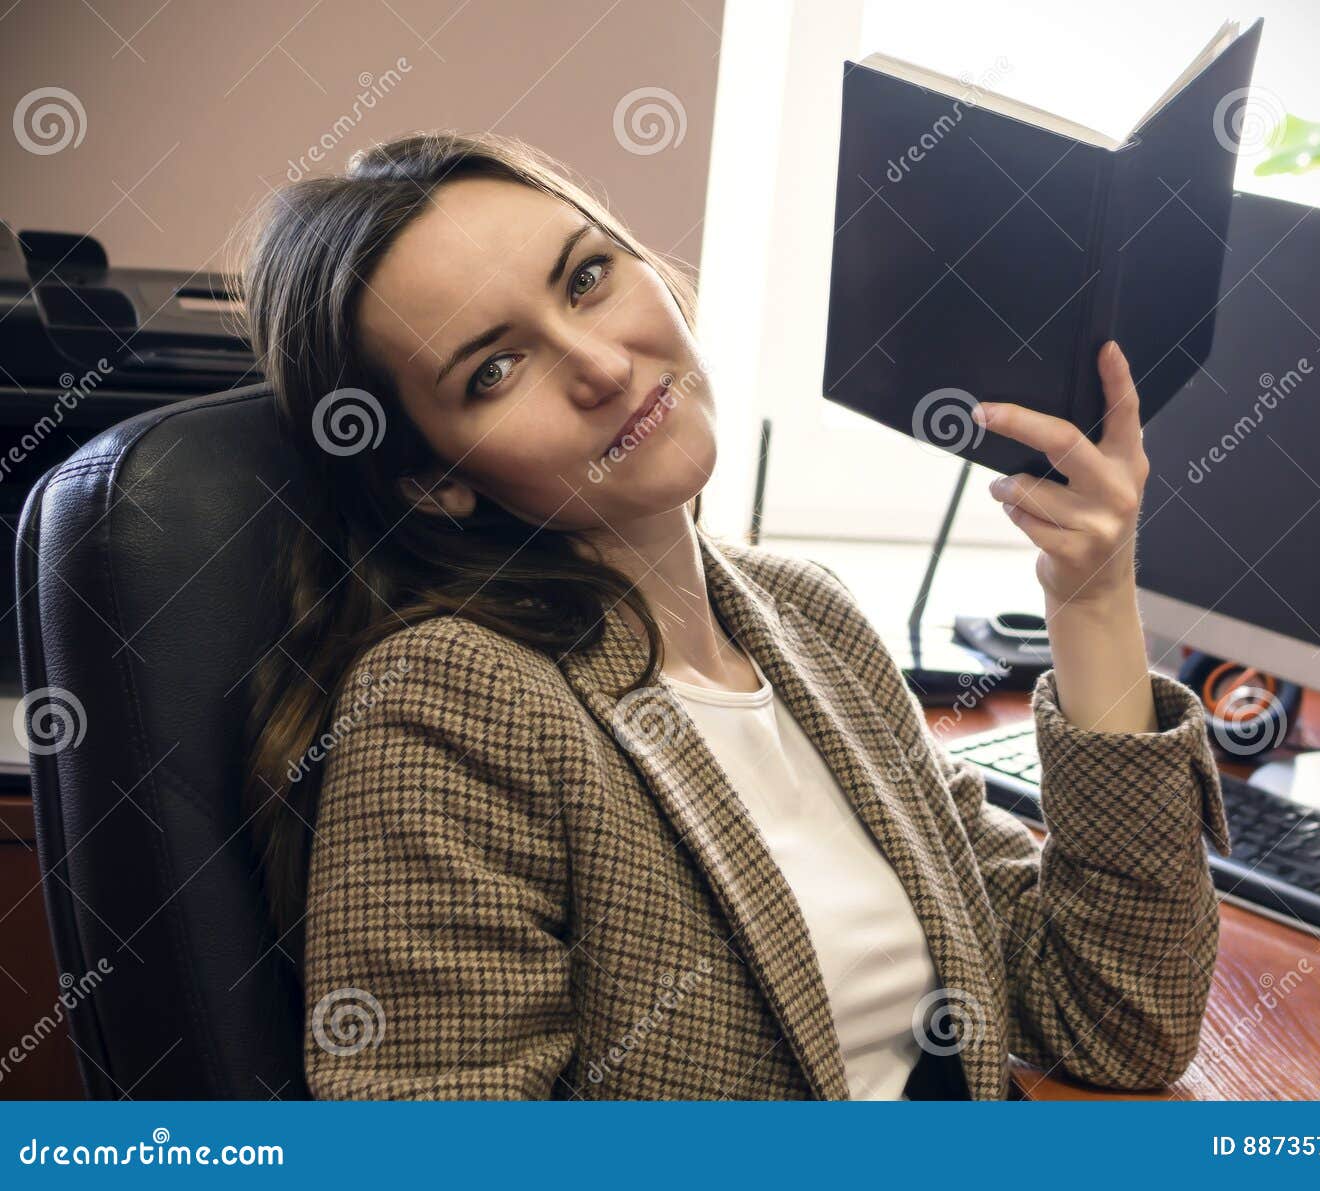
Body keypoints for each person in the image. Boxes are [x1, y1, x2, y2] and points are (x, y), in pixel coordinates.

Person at [235, 130, 1230, 1101]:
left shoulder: (807, 616)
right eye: (493, 369)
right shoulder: (448, 707)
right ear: (430, 482)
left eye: (586, 277)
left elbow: (1116, 1017)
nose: (603, 366)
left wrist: (1093, 596)